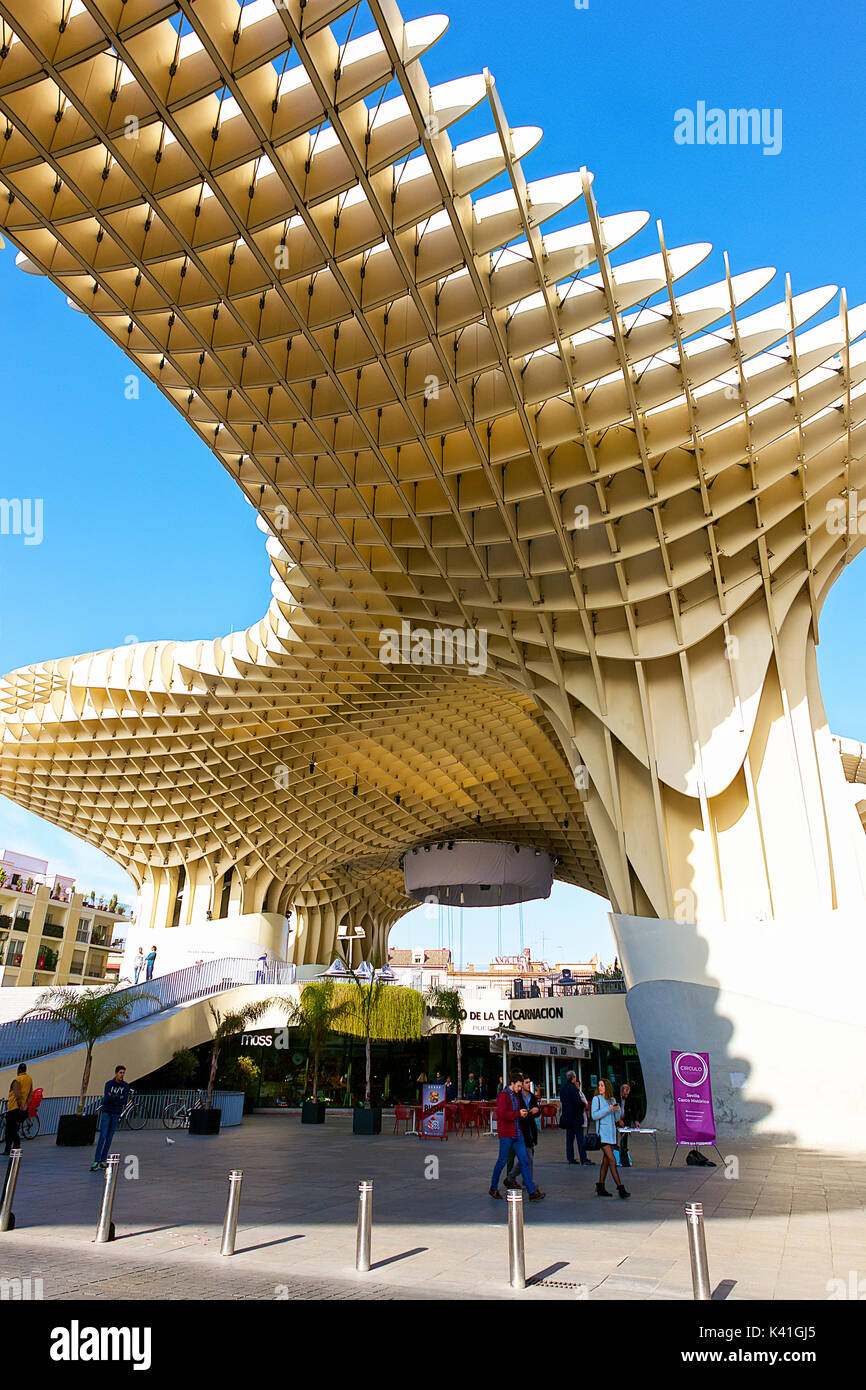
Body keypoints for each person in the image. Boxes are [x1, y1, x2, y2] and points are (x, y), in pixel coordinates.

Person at [489, 1073, 545, 1201]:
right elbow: (502, 1113)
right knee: (502, 1161)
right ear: (512, 1083)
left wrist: (523, 1113)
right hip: (506, 1134)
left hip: (517, 1133)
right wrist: (517, 1114)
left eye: (521, 1086)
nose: (520, 1088)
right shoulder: (503, 1095)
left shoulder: (516, 1095)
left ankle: (531, 1192)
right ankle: (493, 1187)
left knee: (524, 1160)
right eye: (519, 1086)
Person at [591, 1079, 629, 1199]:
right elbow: (594, 1115)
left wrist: (617, 1110)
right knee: (612, 1160)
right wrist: (609, 1109)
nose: (600, 1087)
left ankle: (600, 1186)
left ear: (607, 1087)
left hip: (611, 1134)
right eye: (599, 1085)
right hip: (602, 1135)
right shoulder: (596, 1099)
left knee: (606, 1161)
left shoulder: (612, 1100)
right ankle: (620, 1187)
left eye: (602, 1085)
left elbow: (616, 1118)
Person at [91, 1065, 131, 1171]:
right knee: (103, 1136)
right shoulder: (109, 1084)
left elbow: (124, 1100)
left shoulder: (125, 1086)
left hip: (116, 1112)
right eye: (120, 1073)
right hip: (107, 1112)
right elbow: (107, 1098)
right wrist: (118, 1098)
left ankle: (103, 1160)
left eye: (123, 1073)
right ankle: (96, 1160)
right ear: (116, 1073)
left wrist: (114, 1098)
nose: (122, 1075)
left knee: (109, 1137)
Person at [505, 1077, 540, 1188]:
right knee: (528, 1157)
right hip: (521, 1131)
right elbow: (518, 1115)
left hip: (530, 1131)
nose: (528, 1084)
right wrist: (529, 1113)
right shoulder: (517, 1098)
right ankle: (529, 1182)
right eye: (526, 1082)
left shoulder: (532, 1097)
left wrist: (537, 1110)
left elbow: (536, 1111)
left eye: (529, 1082)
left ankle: (511, 1177)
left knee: (526, 1157)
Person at [560, 1069, 592, 1167]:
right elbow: (577, 1102)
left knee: (569, 1139)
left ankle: (570, 1157)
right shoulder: (573, 1089)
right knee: (580, 1138)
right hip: (576, 1118)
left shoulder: (563, 1088)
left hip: (567, 1117)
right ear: (573, 1078)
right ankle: (583, 1158)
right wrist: (584, 1105)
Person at [3, 1063, 33, 1156]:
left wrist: (20, 1105)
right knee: (14, 1128)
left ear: (18, 1070)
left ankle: (10, 1148)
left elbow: (17, 1094)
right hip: (23, 1108)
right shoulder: (29, 1079)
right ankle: (15, 1145)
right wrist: (26, 1105)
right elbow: (30, 1094)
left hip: (13, 1107)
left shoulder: (17, 1080)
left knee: (9, 1129)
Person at [617, 1082, 643, 1166]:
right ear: (621, 1092)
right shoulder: (616, 1098)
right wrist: (618, 1120)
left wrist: (636, 1121)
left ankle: (624, 1159)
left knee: (624, 1140)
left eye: (627, 1094)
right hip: (617, 1120)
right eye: (625, 1094)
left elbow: (634, 1111)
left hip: (626, 1121)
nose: (626, 1096)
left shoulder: (630, 1099)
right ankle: (616, 1157)